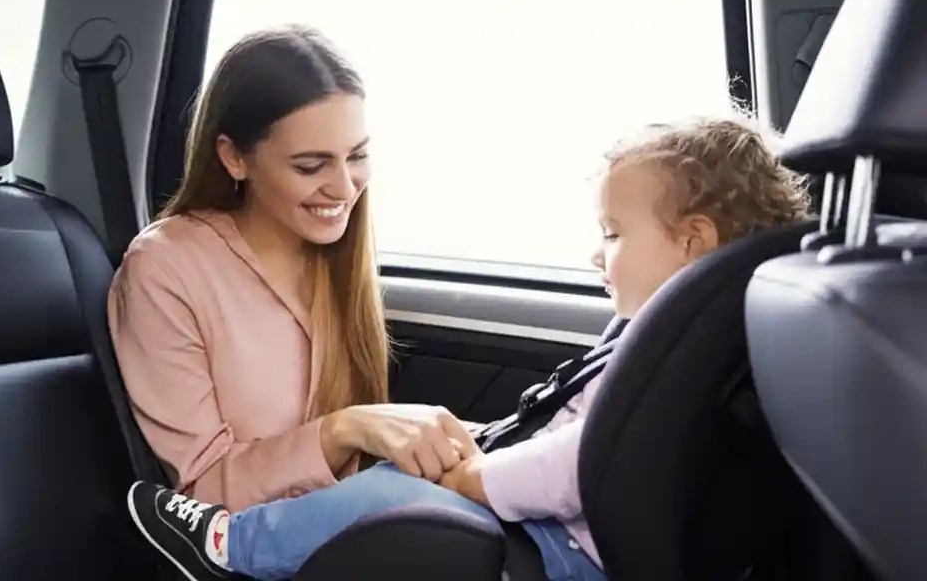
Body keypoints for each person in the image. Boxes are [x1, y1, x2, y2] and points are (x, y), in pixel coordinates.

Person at [125, 114, 812, 581]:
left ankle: (230, 546)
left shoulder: (682, 357)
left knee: (395, 492)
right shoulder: (706, 336)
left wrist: (474, 479)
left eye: (612, 233)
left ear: (693, 239)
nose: (595, 254)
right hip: (591, 537)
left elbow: (581, 463)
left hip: (575, 552)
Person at [108, 25, 495, 580]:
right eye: (310, 166)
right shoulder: (165, 269)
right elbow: (199, 496)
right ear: (234, 158)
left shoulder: (335, 256)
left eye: (356, 157)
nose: (344, 187)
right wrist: (342, 430)